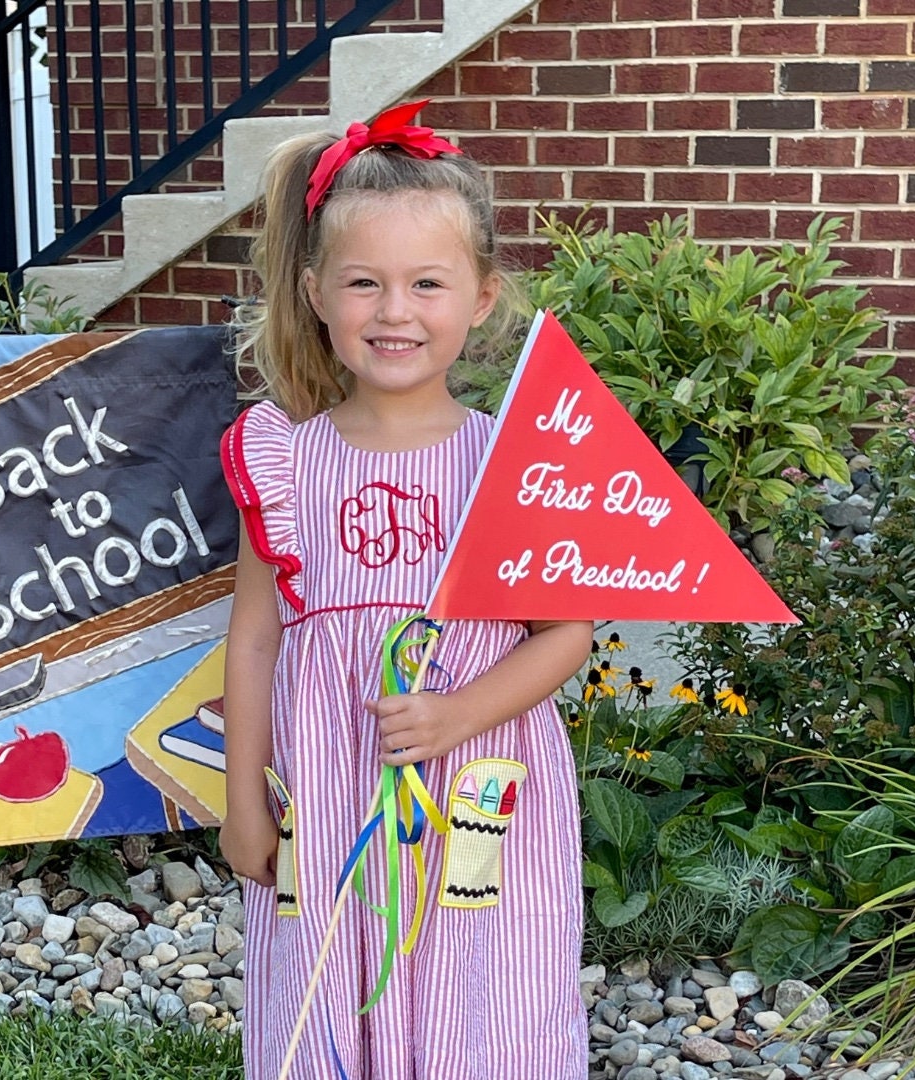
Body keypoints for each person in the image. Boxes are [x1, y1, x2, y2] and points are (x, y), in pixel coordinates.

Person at [218, 99, 592, 1080]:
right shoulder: (287, 465)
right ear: (314, 292)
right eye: (364, 284)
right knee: (325, 990)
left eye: (427, 283)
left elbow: (566, 635)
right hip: (330, 793)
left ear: (481, 296)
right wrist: (242, 801)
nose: (394, 312)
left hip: (476, 792)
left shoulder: (509, 465)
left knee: (486, 1000)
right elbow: (255, 640)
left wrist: (458, 710)